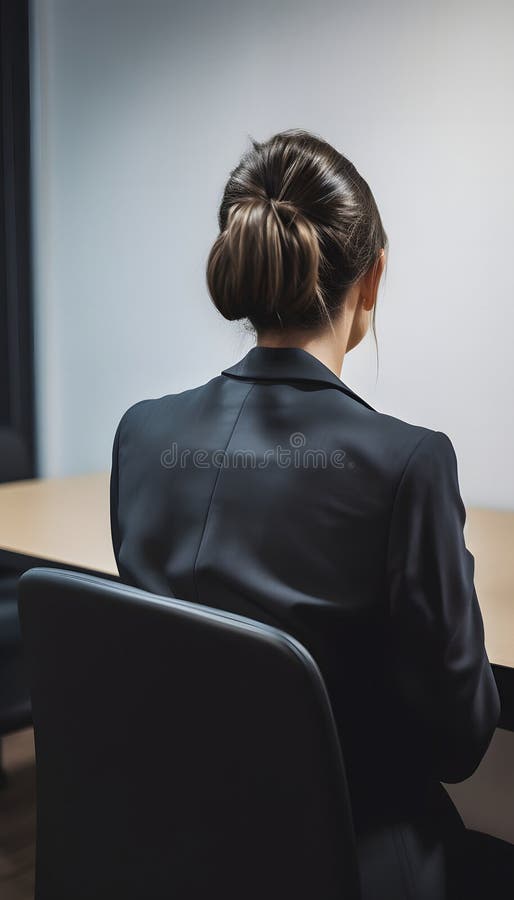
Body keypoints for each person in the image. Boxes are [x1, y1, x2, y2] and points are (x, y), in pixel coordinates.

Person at [110, 128, 512, 899]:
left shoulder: (142, 434)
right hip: (346, 862)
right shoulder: (408, 463)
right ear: (373, 279)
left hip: (168, 843)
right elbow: (461, 741)